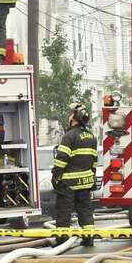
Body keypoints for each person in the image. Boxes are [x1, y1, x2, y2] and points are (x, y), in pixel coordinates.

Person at [52, 102, 97, 245]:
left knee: (64, 212)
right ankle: (88, 239)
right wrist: (91, 176)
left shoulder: (69, 136)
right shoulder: (91, 137)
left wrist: (56, 176)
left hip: (69, 184)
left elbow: (61, 159)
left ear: (74, 117)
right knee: (85, 211)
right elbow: (94, 161)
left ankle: (61, 240)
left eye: (70, 114)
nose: (69, 116)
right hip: (85, 183)